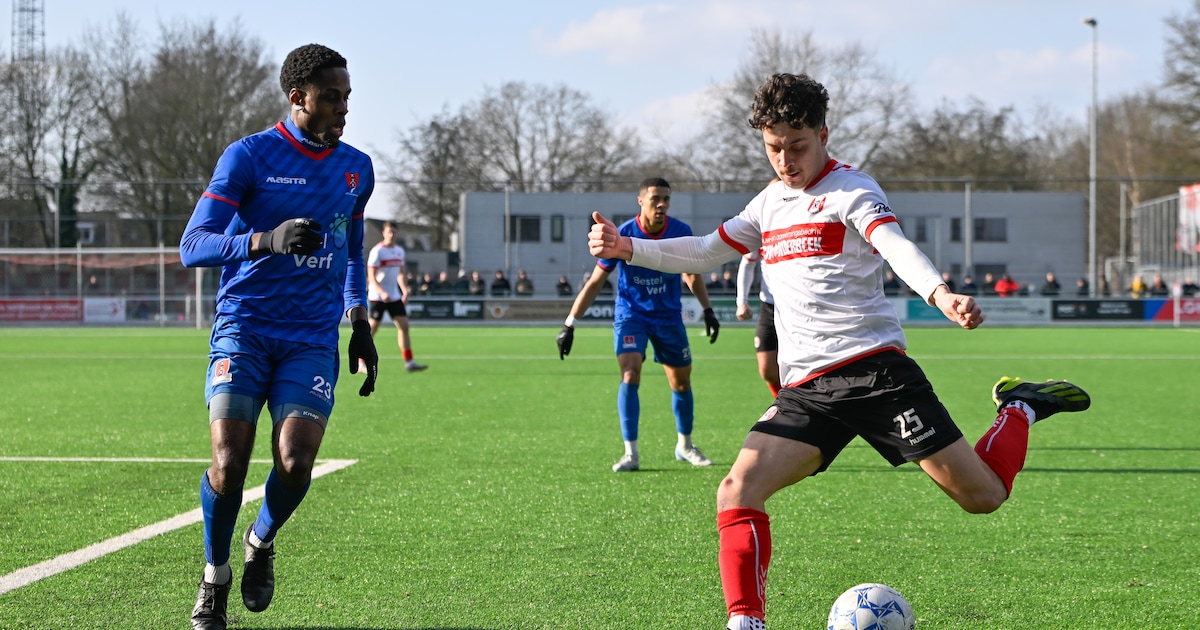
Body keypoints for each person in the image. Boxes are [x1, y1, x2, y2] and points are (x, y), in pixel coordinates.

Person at [585, 73, 1090, 630]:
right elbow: (705, 252)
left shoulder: (853, 190)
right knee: (736, 490)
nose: (785, 160)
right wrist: (628, 246)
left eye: (797, 146)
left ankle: (1018, 406)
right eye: (773, 147)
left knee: (984, 496)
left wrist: (939, 293)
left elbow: (894, 245)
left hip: (876, 373)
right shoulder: (768, 205)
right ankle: (746, 622)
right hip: (808, 391)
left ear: (823, 134)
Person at [178, 44, 379, 630]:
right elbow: (194, 246)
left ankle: (260, 541)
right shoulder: (248, 157)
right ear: (298, 98)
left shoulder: (356, 168)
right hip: (244, 329)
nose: (343, 108)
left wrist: (360, 322)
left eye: (347, 96)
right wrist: (265, 239)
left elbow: (350, 248)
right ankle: (214, 578)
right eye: (332, 97)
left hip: (311, 338)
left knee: (294, 460)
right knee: (228, 463)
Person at [556, 177, 722, 472]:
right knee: (630, 373)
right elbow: (596, 281)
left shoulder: (680, 232)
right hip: (632, 315)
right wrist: (570, 323)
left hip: (669, 317)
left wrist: (708, 310)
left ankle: (685, 446)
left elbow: (692, 274)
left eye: (666, 200)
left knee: (681, 381)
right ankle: (630, 453)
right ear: (641, 201)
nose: (661, 205)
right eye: (655, 198)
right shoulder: (624, 234)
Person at [366, 221, 428, 373]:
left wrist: (404, 289)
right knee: (371, 330)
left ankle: (409, 362)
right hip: (378, 297)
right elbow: (371, 277)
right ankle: (361, 361)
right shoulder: (377, 251)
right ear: (384, 233)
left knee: (404, 327)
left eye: (394, 232)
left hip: (394, 296)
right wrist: (382, 292)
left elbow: (401, 273)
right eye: (389, 232)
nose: (392, 235)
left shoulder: (400, 251)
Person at [735, 250, 780, 397]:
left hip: (797, 306)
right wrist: (742, 302)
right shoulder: (761, 227)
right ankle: (786, 406)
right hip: (769, 306)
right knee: (767, 370)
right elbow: (747, 263)